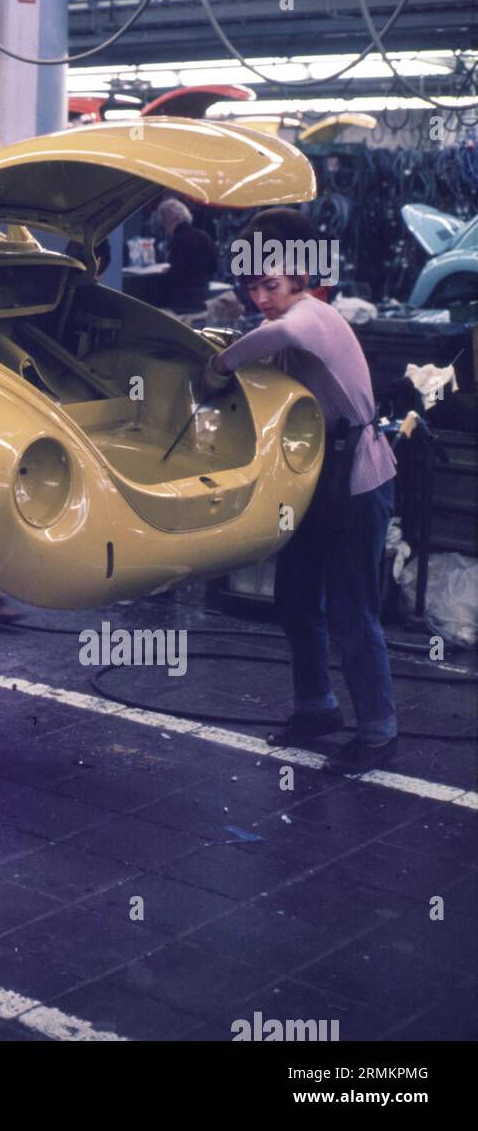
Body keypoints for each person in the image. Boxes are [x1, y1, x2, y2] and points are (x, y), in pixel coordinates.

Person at [204, 208, 398, 774]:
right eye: (251, 289)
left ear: (299, 274)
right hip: (317, 480)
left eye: (269, 285)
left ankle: (381, 733)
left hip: (359, 481)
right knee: (294, 598)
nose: (261, 299)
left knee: (352, 611)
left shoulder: (311, 315)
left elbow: (279, 333)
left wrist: (219, 364)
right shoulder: (284, 319)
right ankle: (317, 708)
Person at [155, 195, 217, 309]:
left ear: (169, 221)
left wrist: (167, 272)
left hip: (183, 301)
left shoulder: (177, 241)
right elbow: (214, 267)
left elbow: (178, 275)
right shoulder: (204, 236)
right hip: (204, 295)